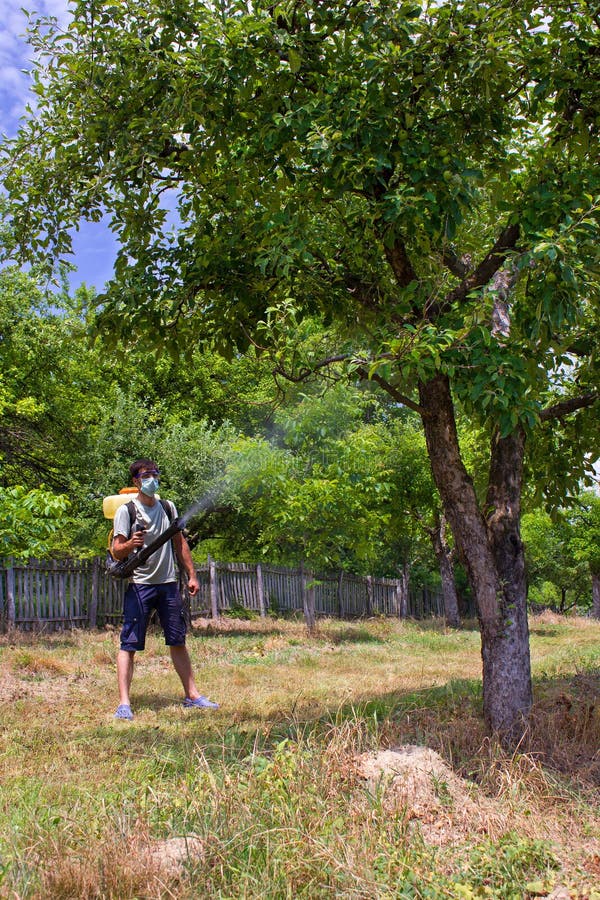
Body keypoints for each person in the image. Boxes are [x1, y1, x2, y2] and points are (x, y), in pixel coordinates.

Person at [111, 458, 218, 719]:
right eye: (147, 475)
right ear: (136, 481)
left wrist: (192, 574)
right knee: (129, 644)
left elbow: (180, 543)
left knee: (178, 640)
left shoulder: (168, 507)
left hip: (168, 585)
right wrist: (130, 544)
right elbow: (116, 551)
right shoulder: (127, 511)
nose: (153, 479)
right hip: (140, 585)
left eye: (155, 474)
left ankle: (192, 696)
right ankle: (124, 704)